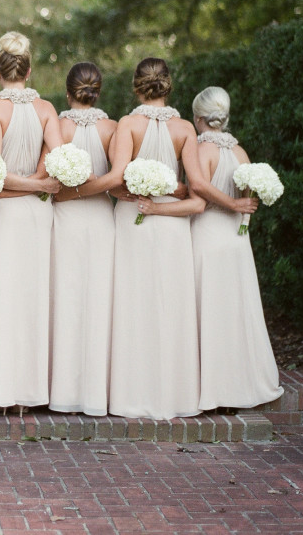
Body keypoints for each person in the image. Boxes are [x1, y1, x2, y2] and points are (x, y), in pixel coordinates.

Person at [102, 57, 204, 419]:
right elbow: (192, 190)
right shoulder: (185, 129)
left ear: (136, 86)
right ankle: (176, 395)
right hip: (173, 224)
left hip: (135, 218)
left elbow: (116, 181)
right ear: (168, 86)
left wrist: (117, 192)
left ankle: (131, 395)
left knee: (132, 303)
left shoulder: (127, 125)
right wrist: (172, 189)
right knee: (171, 305)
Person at [0, 33, 62, 408]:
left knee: (6, 294)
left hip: (7, 213)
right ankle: (32, 392)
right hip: (39, 210)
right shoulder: (46, 109)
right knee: (35, 295)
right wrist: (38, 184)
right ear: (29, 72)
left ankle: (7, 390)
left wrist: (19, 188)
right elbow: (58, 164)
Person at [189, 86, 281, 411]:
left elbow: (198, 189)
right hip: (237, 239)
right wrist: (241, 211)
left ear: (198, 118)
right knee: (233, 310)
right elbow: (247, 197)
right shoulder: (240, 152)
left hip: (208, 234)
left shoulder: (201, 149)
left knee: (207, 310)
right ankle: (236, 386)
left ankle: (210, 390)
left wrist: (229, 204)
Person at [48, 62, 116, 417]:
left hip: (66, 216)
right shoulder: (112, 128)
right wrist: (96, 187)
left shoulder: (57, 127)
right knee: (99, 298)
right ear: (97, 91)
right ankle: (96, 392)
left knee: (66, 296)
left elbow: (51, 182)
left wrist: (71, 193)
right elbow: (119, 180)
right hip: (102, 217)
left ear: (68, 91)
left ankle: (62, 390)